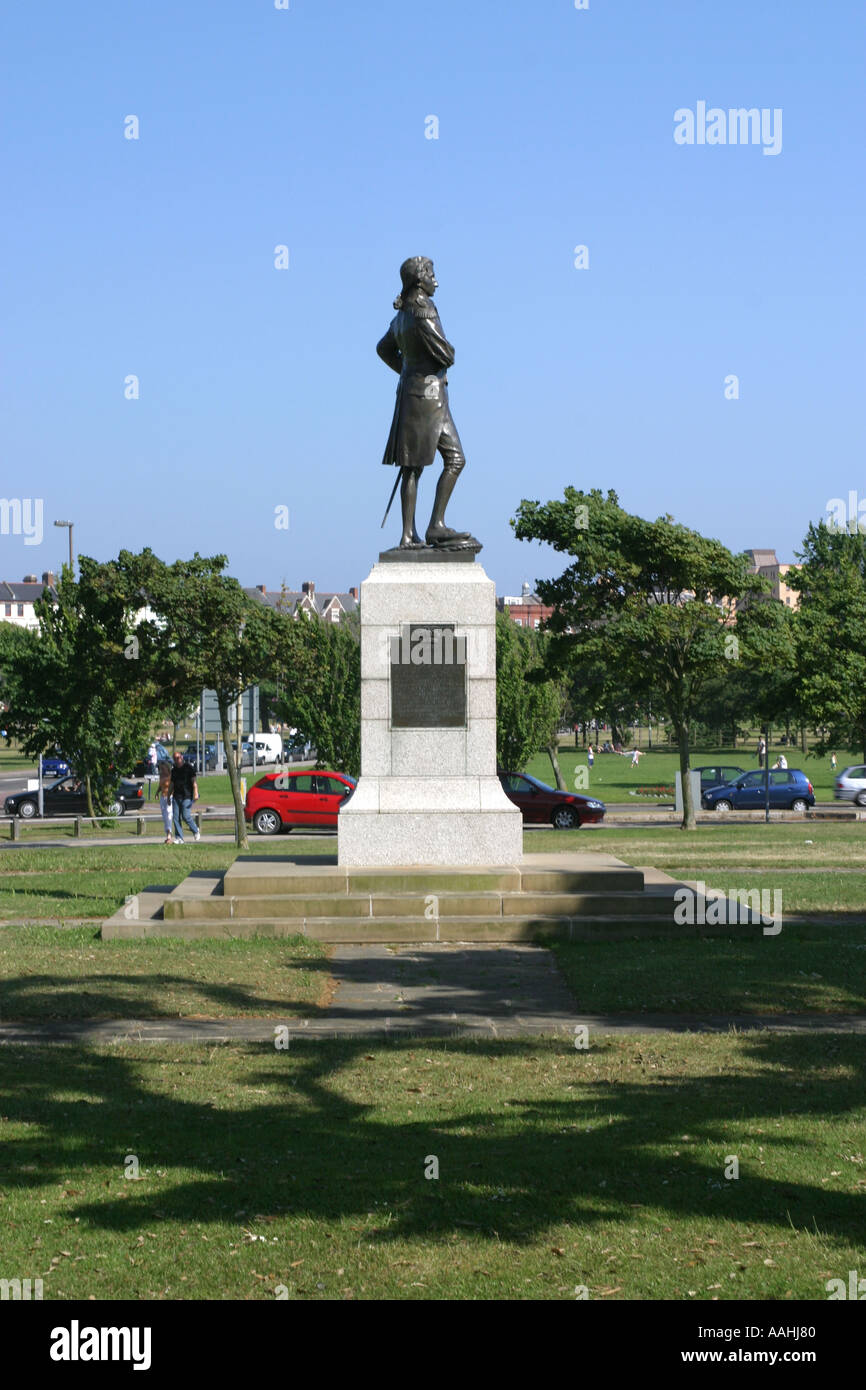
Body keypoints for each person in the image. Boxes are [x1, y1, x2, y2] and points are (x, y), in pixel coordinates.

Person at [377, 256, 473, 549]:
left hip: (413, 394)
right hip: (429, 400)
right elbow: (446, 354)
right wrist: (423, 369)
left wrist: (408, 372)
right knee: (451, 459)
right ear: (419, 280)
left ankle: (415, 533)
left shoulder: (401, 316)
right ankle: (432, 527)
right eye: (432, 275)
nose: (436, 281)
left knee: (413, 468)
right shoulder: (423, 311)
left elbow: (383, 349)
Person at [170, 752, 200, 843]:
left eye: (178, 758)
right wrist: (168, 796)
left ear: (182, 757)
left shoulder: (189, 768)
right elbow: (172, 784)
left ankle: (195, 830)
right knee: (175, 817)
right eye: (175, 758)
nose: (177, 760)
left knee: (185, 816)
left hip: (187, 796)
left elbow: (194, 782)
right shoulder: (174, 770)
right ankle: (179, 838)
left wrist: (195, 793)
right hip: (176, 796)